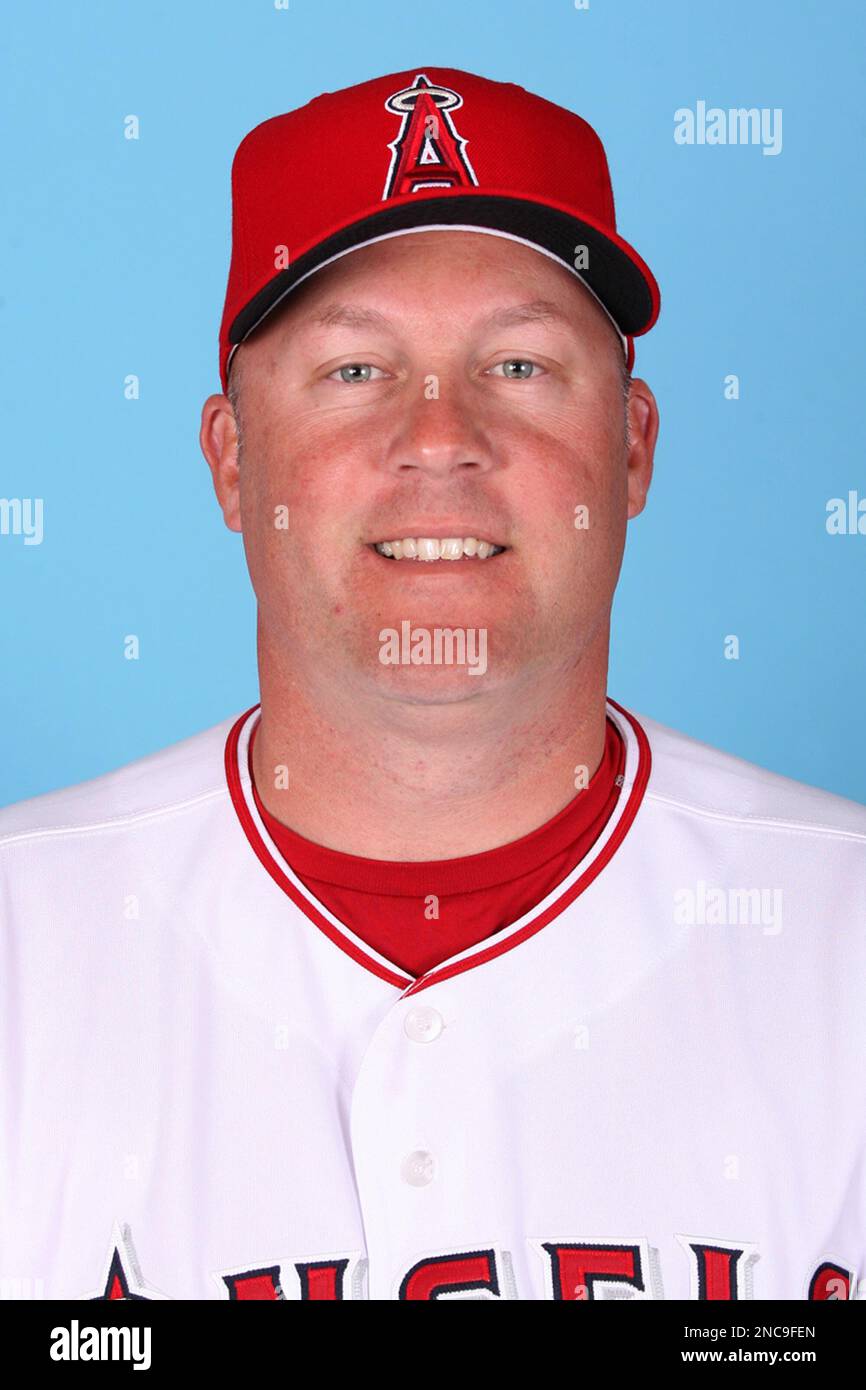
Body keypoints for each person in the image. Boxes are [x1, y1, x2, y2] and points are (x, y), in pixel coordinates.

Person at [1, 67, 863, 1302]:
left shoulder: (844, 944)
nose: (439, 433)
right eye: (354, 370)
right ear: (233, 461)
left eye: (517, 364)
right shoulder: (18, 952)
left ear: (631, 450)